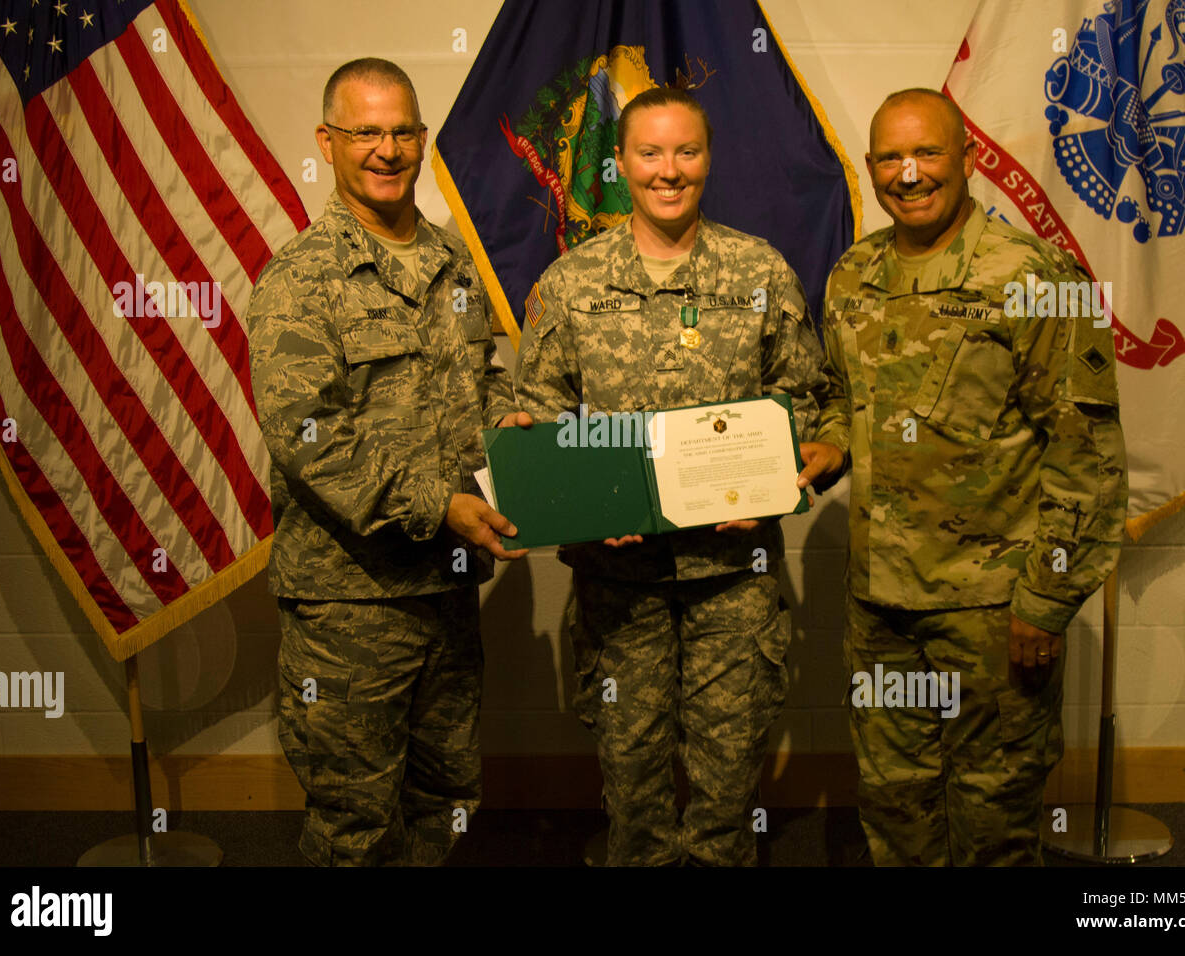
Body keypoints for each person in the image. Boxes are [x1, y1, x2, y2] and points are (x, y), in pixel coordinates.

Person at [514, 87, 835, 866]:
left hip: (734, 574)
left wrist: (777, 480)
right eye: (649, 153)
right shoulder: (571, 283)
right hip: (617, 582)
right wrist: (586, 501)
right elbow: (535, 412)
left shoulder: (759, 270)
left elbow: (805, 397)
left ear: (708, 158)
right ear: (619, 165)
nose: (669, 170)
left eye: (686, 151)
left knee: (728, 788)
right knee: (633, 791)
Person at [808, 88, 1127, 865]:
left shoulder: (1034, 276)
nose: (908, 174)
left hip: (992, 614)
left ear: (967, 160)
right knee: (893, 803)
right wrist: (823, 445)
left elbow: (1087, 455)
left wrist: (1047, 601)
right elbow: (840, 403)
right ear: (871, 167)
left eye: (927, 154)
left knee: (992, 818)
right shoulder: (852, 276)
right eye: (889, 157)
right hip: (880, 608)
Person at [246, 58, 529, 866]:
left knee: (448, 807)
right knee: (356, 825)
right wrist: (437, 504)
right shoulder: (301, 280)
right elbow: (308, 436)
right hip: (350, 606)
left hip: (445, 591)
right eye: (365, 131)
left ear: (422, 138)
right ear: (326, 142)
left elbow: (478, 383)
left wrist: (516, 434)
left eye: (403, 130)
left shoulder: (451, 263)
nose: (387, 148)